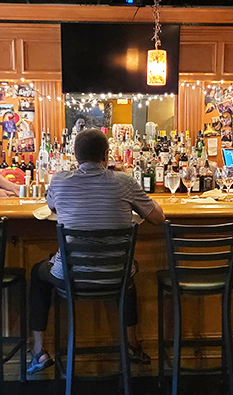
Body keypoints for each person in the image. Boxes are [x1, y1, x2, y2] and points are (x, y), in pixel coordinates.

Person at [27, 128, 165, 373]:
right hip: (116, 275)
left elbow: (51, 206)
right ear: (106, 154)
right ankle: (132, 345)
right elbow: (158, 218)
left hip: (71, 275)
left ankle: (38, 352)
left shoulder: (59, 180)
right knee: (127, 273)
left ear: (75, 155)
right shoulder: (125, 182)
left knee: (38, 273)